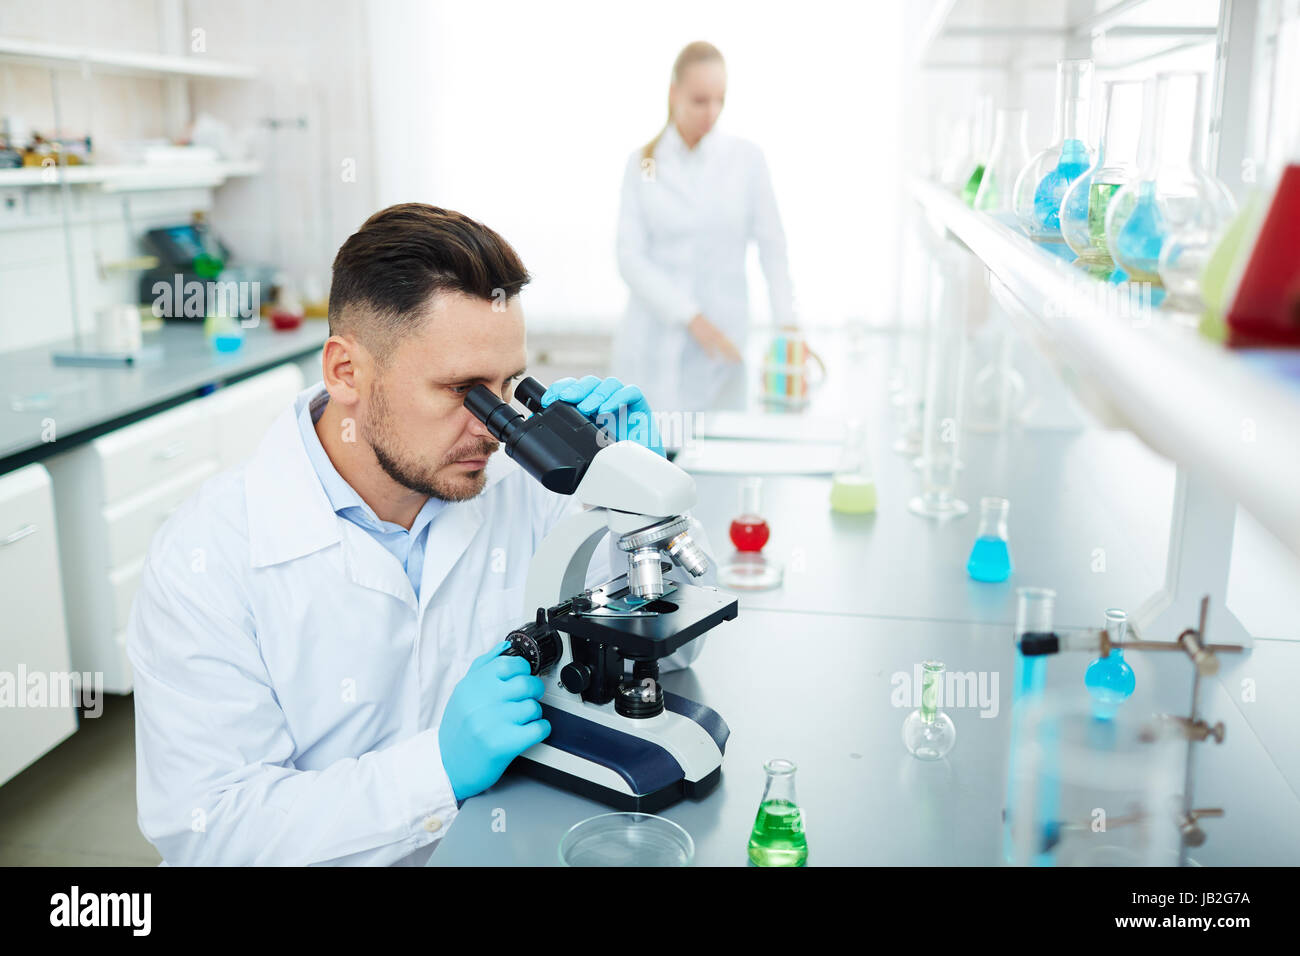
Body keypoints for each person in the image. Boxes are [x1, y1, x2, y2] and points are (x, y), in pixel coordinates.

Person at [126, 204, 711, 866]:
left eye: (506, 388)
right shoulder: (208, 560)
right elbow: (212, 829)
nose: (493, 426)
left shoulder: (520, 484)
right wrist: (434, 770)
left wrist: (643, 503)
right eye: (463, 390)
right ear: (346, 372)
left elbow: (668, 650)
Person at [613, 40, 796, 414]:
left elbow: (773, 249)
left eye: (720, 99)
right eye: (700, 100)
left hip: (721, 352)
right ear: (673, 93)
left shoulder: (746, 161)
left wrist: (788, 329)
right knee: (645, 461)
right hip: (651, 346)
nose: (711, 112)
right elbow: (630, 258)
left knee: (714, 460)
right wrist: (691, 317)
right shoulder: (644, 165)